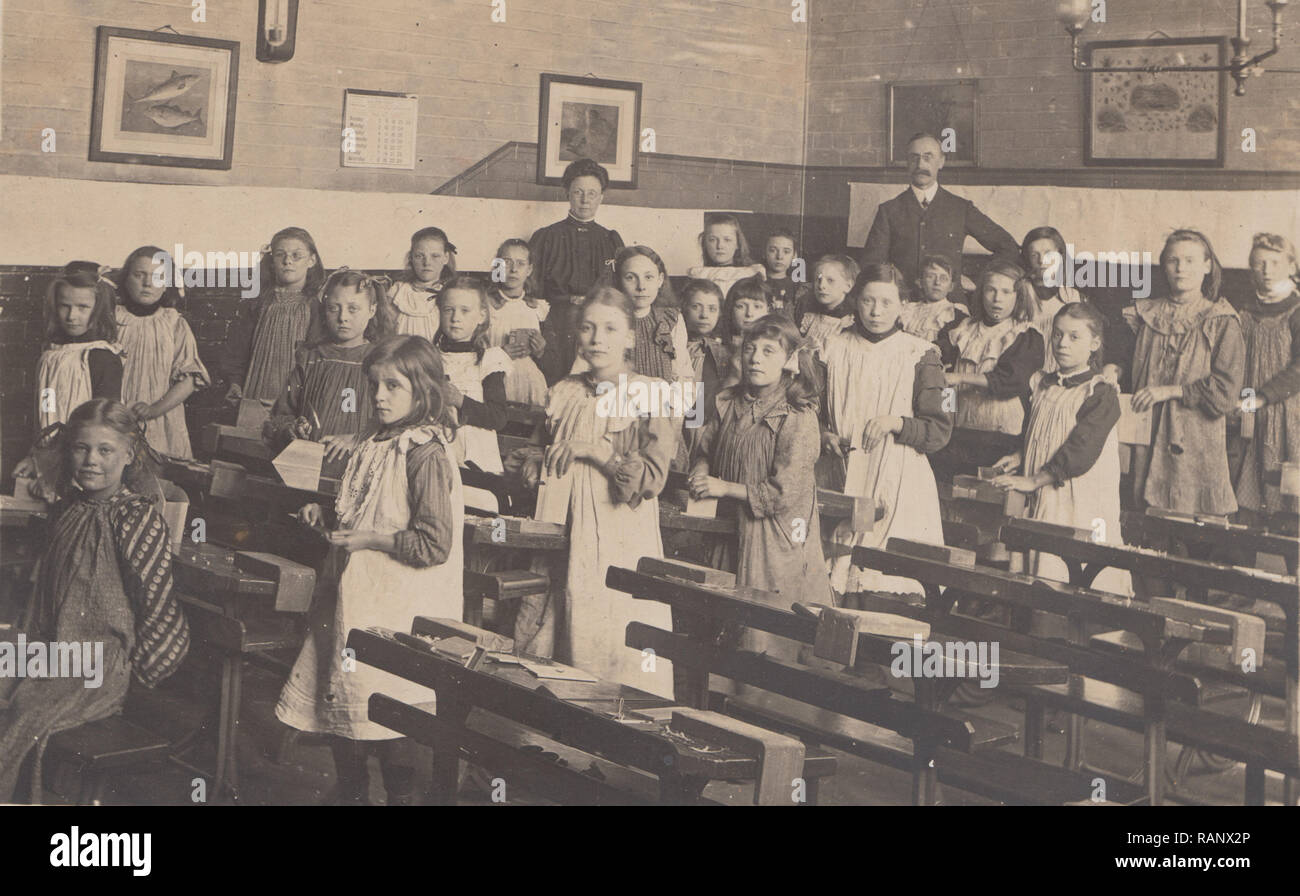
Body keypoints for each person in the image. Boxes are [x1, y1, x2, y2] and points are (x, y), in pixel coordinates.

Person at [276, 335, 464, 806]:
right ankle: (353, 793)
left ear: (423, 391)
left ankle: (400, 798)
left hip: (398, 605)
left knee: (385, 705)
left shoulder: (425, 452)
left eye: (393, 387)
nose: (378, 396)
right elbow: (363, 505)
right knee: (341, 694)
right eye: (374, 385)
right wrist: (328, 517)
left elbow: (434, 543)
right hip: (353, 594)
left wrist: (369, 540)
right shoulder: (372, 441)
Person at [0, 399, 189, 802]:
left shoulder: (137, 518)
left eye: (105, 450)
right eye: (81, 448)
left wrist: (136, 679)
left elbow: (155, 604)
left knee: (18, 719)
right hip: (46, 649)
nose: (91, 460)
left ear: (128, 455)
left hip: (96, 664)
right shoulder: (69, 509)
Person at [513, 288, 677, 697]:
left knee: (608, 636)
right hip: (559, 532)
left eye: (609, 328)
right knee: (552, 629)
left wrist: (594, 452)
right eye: (587, 328)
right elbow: (535, 450)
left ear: (630, 337)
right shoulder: (565, 390)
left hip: (618, 537)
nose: (597, 338)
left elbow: (650, 480)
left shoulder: (649, 392)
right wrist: (536, 465)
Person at [689, 313, 831, 659]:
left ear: (789, 361)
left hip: (775, 540)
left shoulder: (797, 415)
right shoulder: (729, 402)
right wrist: (702, 468)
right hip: (728, 530)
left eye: (769, 351)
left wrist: (723, 488)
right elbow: (706, 448)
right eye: (750, 349)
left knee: (764, 637)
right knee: (719, 625)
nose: (755, 358)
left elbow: (784, 493)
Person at [821, 264, 952, 597]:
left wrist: (896, 423)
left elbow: (939, 430)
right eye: (867, 301)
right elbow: (809, 403)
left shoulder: (921, 354)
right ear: (856, 300)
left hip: (896, 475)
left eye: (886, 303)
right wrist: (824, 432)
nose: (876, 311)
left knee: (879, 580)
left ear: (903, 305)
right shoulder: (832, 347)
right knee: (829, 575)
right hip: (840, 468)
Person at [992, 304, 1131, 597]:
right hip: (1043, 487)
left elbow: (1080, 452)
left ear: (1094, 344)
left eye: (1074, 337)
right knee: (1035, 571)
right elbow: (1038, 431)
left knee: (1066, 571)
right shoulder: (1043, 383)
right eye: (1057, 335)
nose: (1062, 343)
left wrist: (1033, 480)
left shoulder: (1099, 392)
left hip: (1074, 494)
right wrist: (1020, 456)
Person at [1126, 230, 1244, 515]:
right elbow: (1121, 362)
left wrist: (1170, 391)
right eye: (1173, 260)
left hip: (1195, 437)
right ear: (1163, 266)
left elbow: (1226, 393)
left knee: (1190, 522)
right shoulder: (1143, 314)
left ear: (1207, 266)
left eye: (1190, 260)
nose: (1181, 269)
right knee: (1143, 519)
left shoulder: (1222, 320)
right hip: (1146, 430)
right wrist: (1110, 368)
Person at [862, 132, 1019, 288]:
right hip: (905, 301)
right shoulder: (889, 210)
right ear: (907, 163)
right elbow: (871, 264)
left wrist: (979, 278)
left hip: (950, 301)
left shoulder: (961, 208)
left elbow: (1007, 246)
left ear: (941, 162)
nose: (920, 165)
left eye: (928, 157)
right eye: (914, 157)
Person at [265, 270, 394, 447]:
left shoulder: (382, 363)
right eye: (334, 308)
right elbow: (281, 415)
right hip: (309, 460)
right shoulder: (310, 359)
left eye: (353, 309)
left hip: (360, 461)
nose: (343, 317)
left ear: (372, 310)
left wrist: (357, 439)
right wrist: (291, 428)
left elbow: (394, 423)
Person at [529, 158, 625, 384]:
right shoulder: (547, 237)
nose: (585, 200)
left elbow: (619, 292)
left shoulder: (610, 240)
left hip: (597, 325)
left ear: (601, 197)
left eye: (592, 193)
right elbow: (531, 288)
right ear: (567, 194)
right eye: (578, 192)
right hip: (556, 324)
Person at [114, 246, 209, 458]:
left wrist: (154, 409)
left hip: (161, 420)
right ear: (126, 279)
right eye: (139, 275)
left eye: (157, 277)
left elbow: (189, 380)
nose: (147, 283)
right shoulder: (111, 320)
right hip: (115, 419)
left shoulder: (174, 323)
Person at [1234, 232, 1300, 515]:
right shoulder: (1243, 311)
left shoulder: (1296, 312)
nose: (1267, 270)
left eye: (1275, 262)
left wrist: (1263, 397)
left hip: (1289, 414)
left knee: (1288, 497)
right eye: (1260, 263)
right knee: (1245, 499)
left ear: (1292, 267)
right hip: (1247, 412)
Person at [938, 260, 1043, 435]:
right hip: (958, 428)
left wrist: (961, 377)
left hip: (1002, 432)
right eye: (990, 290)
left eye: (1006, 292)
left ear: (1018, 296)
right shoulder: (963, 328)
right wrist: (945, 417)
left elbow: (1010, 381)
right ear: (981, 293)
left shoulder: (1024, 335)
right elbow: (946, 379)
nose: (997, 299)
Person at [224, 227, 326, 403]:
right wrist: (235, 383)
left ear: (312, 260)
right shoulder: (258, 304)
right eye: (280, 254)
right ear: (272, 261)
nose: (287, 261)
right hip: (255, 390)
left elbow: (318, 356)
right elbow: (239, 350)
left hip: (296, 397)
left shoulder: (315, 307)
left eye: (296, 255)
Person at [435, 275, 510, 475]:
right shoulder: (430, 358)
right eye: (448, 310)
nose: (455, 318)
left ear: (481, 316)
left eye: (465, 311)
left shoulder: (489, 360)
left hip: (475, 458)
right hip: (436, 453)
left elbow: (498, 417)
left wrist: (459, 400)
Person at [486, 239, 548, 406]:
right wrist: (499, 353)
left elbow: (546, 357)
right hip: (494, 378)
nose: (513, 269)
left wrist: (541, 349)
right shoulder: (485, 305)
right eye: (507, 262)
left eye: (520, 264)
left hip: (529, 381)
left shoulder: (537, 308)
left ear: (529, 270)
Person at [389, 226, 458, 342]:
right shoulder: (398, 291)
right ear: (411, 258)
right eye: (419, 256)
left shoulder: (450, 292)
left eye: (435, 256)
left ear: (445, 258)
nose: (427, 262)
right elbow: (386, 327)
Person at [687, 212, 766, 297]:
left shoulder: (750, 274)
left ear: (737, 244)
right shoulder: (698, 275)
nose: (720, 246)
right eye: (712, 240)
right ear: (705, 244)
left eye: (727, 240)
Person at [899, 253, 968, 343]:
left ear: (951, 286)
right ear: (920, 282)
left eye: (943, 278)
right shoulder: (908, 310)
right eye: (931, 277)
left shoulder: (954, 312)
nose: (937, 282)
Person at [761, 228, 809, 318]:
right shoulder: (755, 282)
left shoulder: (799, 288)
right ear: (764, 252)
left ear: (794, 255)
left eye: (786, 251)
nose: (779, 256)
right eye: (773, 250)